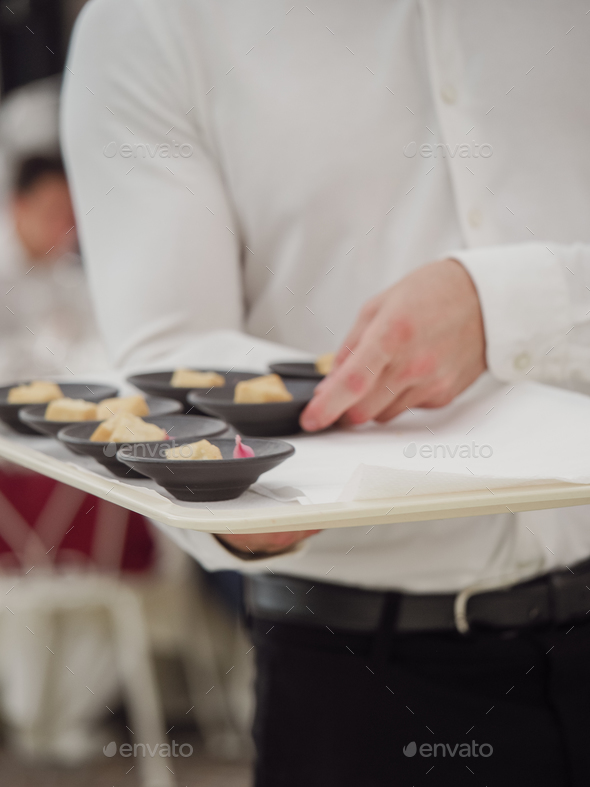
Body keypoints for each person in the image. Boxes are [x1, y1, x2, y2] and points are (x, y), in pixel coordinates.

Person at [62, 1, 590, 784]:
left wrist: (509, 305)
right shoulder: (154, 21)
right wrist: (241, 499)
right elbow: (171, 363)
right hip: (368, 680)